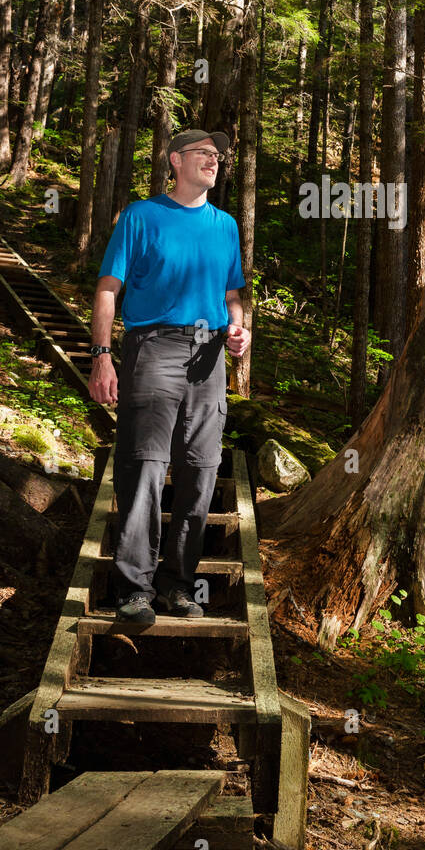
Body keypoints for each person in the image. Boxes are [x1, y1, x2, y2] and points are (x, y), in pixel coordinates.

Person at [87, 129, 250, 626]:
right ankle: (134, 590)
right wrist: (101, 355)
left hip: (210, 358)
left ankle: (177, 586)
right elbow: (108, 288)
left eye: (218, 156)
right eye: (204, 153)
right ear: (175, 161)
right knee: (146, 467)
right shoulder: (141, 215)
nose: (214, 161)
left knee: (201, 471)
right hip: (153, 347)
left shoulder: (225, 225)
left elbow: (233, 296)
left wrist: (240, 331)